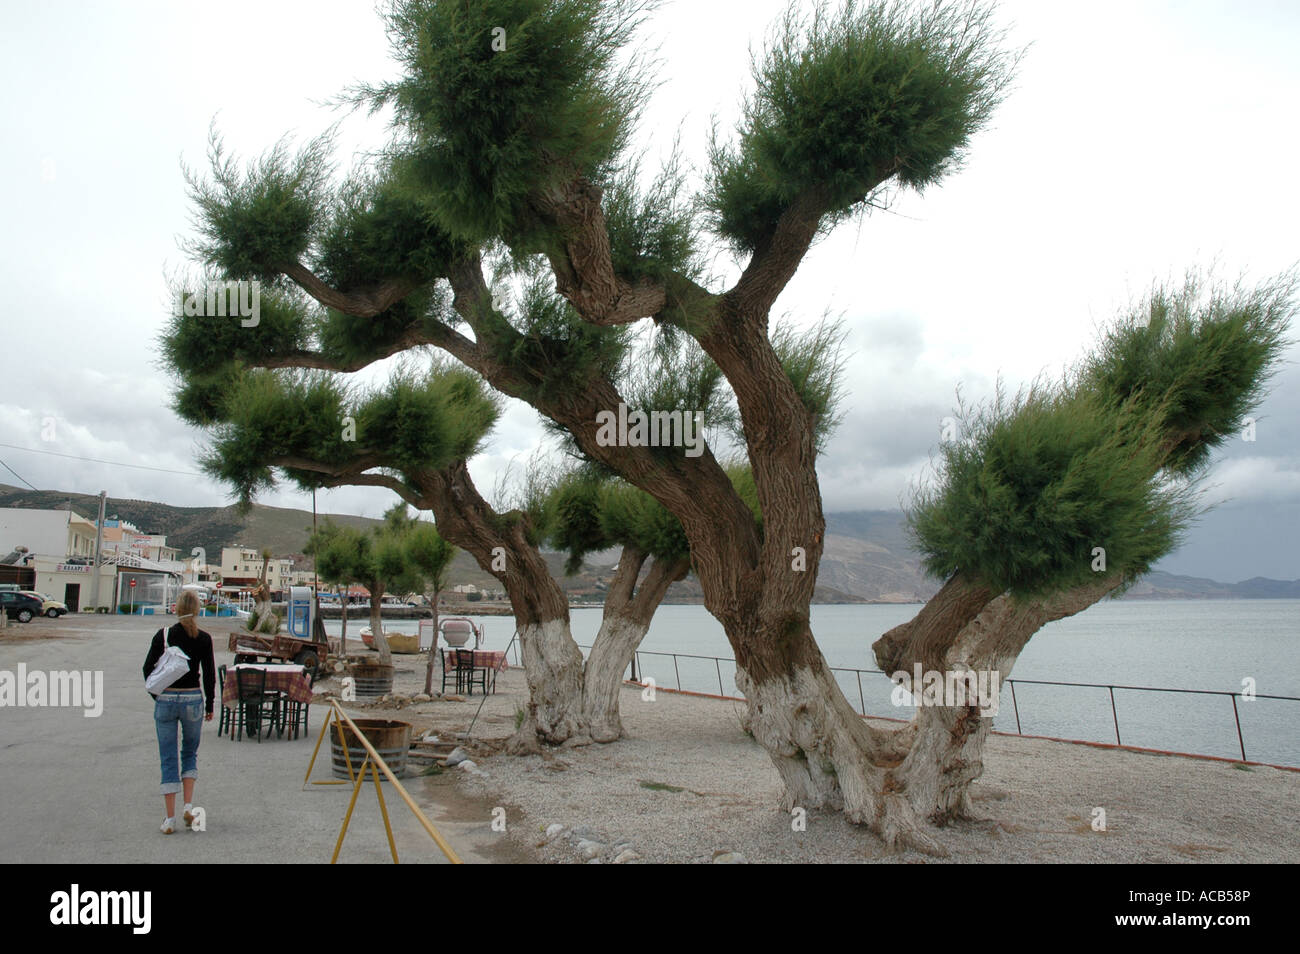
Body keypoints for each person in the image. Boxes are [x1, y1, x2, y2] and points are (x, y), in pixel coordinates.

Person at [143, 589, 216, 834]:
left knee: (168, 756)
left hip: (166, 699)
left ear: (176, 609)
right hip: (193, 699)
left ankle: (169, 819)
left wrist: (158, 695)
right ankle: (188, 805)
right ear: (197, 610)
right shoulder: (204, 638)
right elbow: (209, 674)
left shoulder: (164, 635)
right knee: (189, 753)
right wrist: (209, 704)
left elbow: (147, 669)